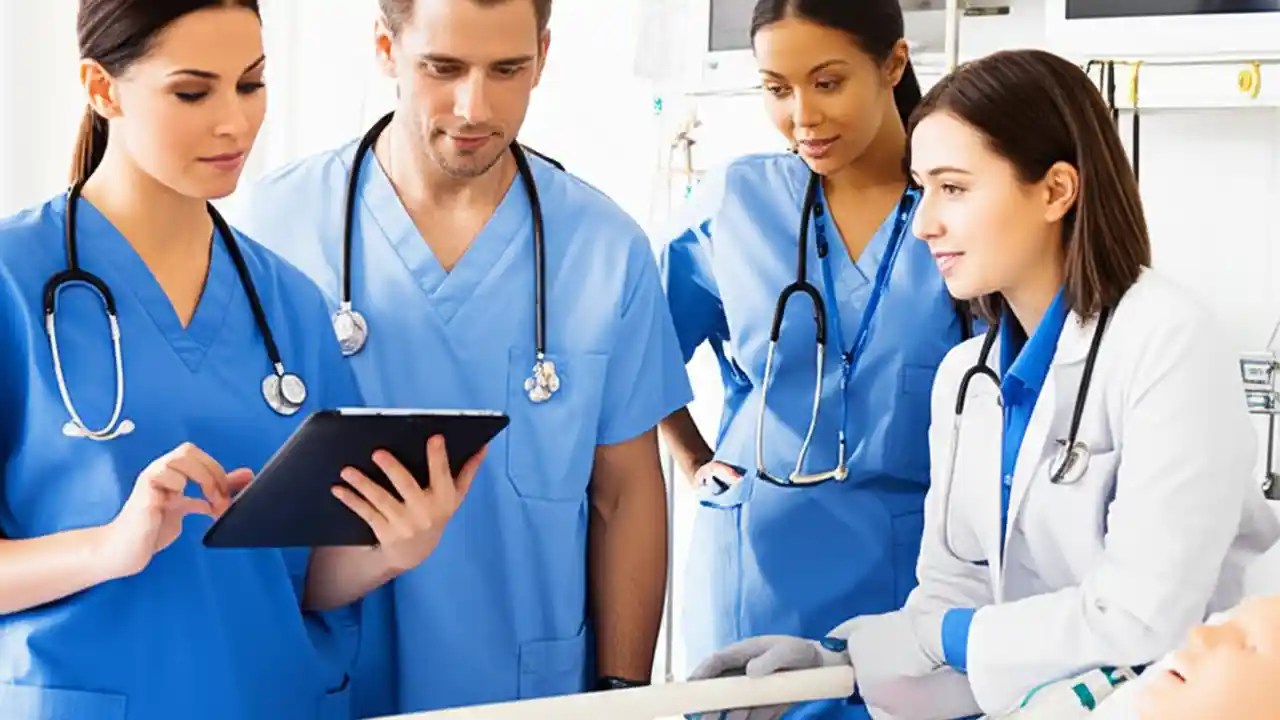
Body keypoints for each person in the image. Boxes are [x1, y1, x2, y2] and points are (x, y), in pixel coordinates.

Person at [687, 48, 1280, 720]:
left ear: (1056, 190)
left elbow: (1140, 620)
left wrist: (925, 639)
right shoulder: (966, 380)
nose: (923, 222)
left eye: (955, 188)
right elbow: (956, 607)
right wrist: (830, 670)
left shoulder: (1166, 339)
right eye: (922, 188)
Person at [0, 2, 477, 719]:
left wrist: (395, 547)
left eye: (250, 84)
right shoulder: (13, 279)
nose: (235, 123)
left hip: (271, 697)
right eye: (193, 92)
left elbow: (301, 578)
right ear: (102, 89)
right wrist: (109, 546)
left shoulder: (287, 302)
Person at [224, 0, 692, 714]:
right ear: (386, 48)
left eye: (509, 70)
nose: (475, 106)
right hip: (330, 677)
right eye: (443, 69)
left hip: (527, 686)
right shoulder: (276, 225)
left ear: (543, 52)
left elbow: (626, 495)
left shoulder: (604, 248)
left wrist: (622, 695)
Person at [658, 1, 970, 715]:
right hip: (757, 564)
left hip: (915, 567)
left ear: (893, 63)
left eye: (827, 83)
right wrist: (694, 457)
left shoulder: (955, 204)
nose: (801, 115)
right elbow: (641, 365)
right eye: (776, 88)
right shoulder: (738, 201)